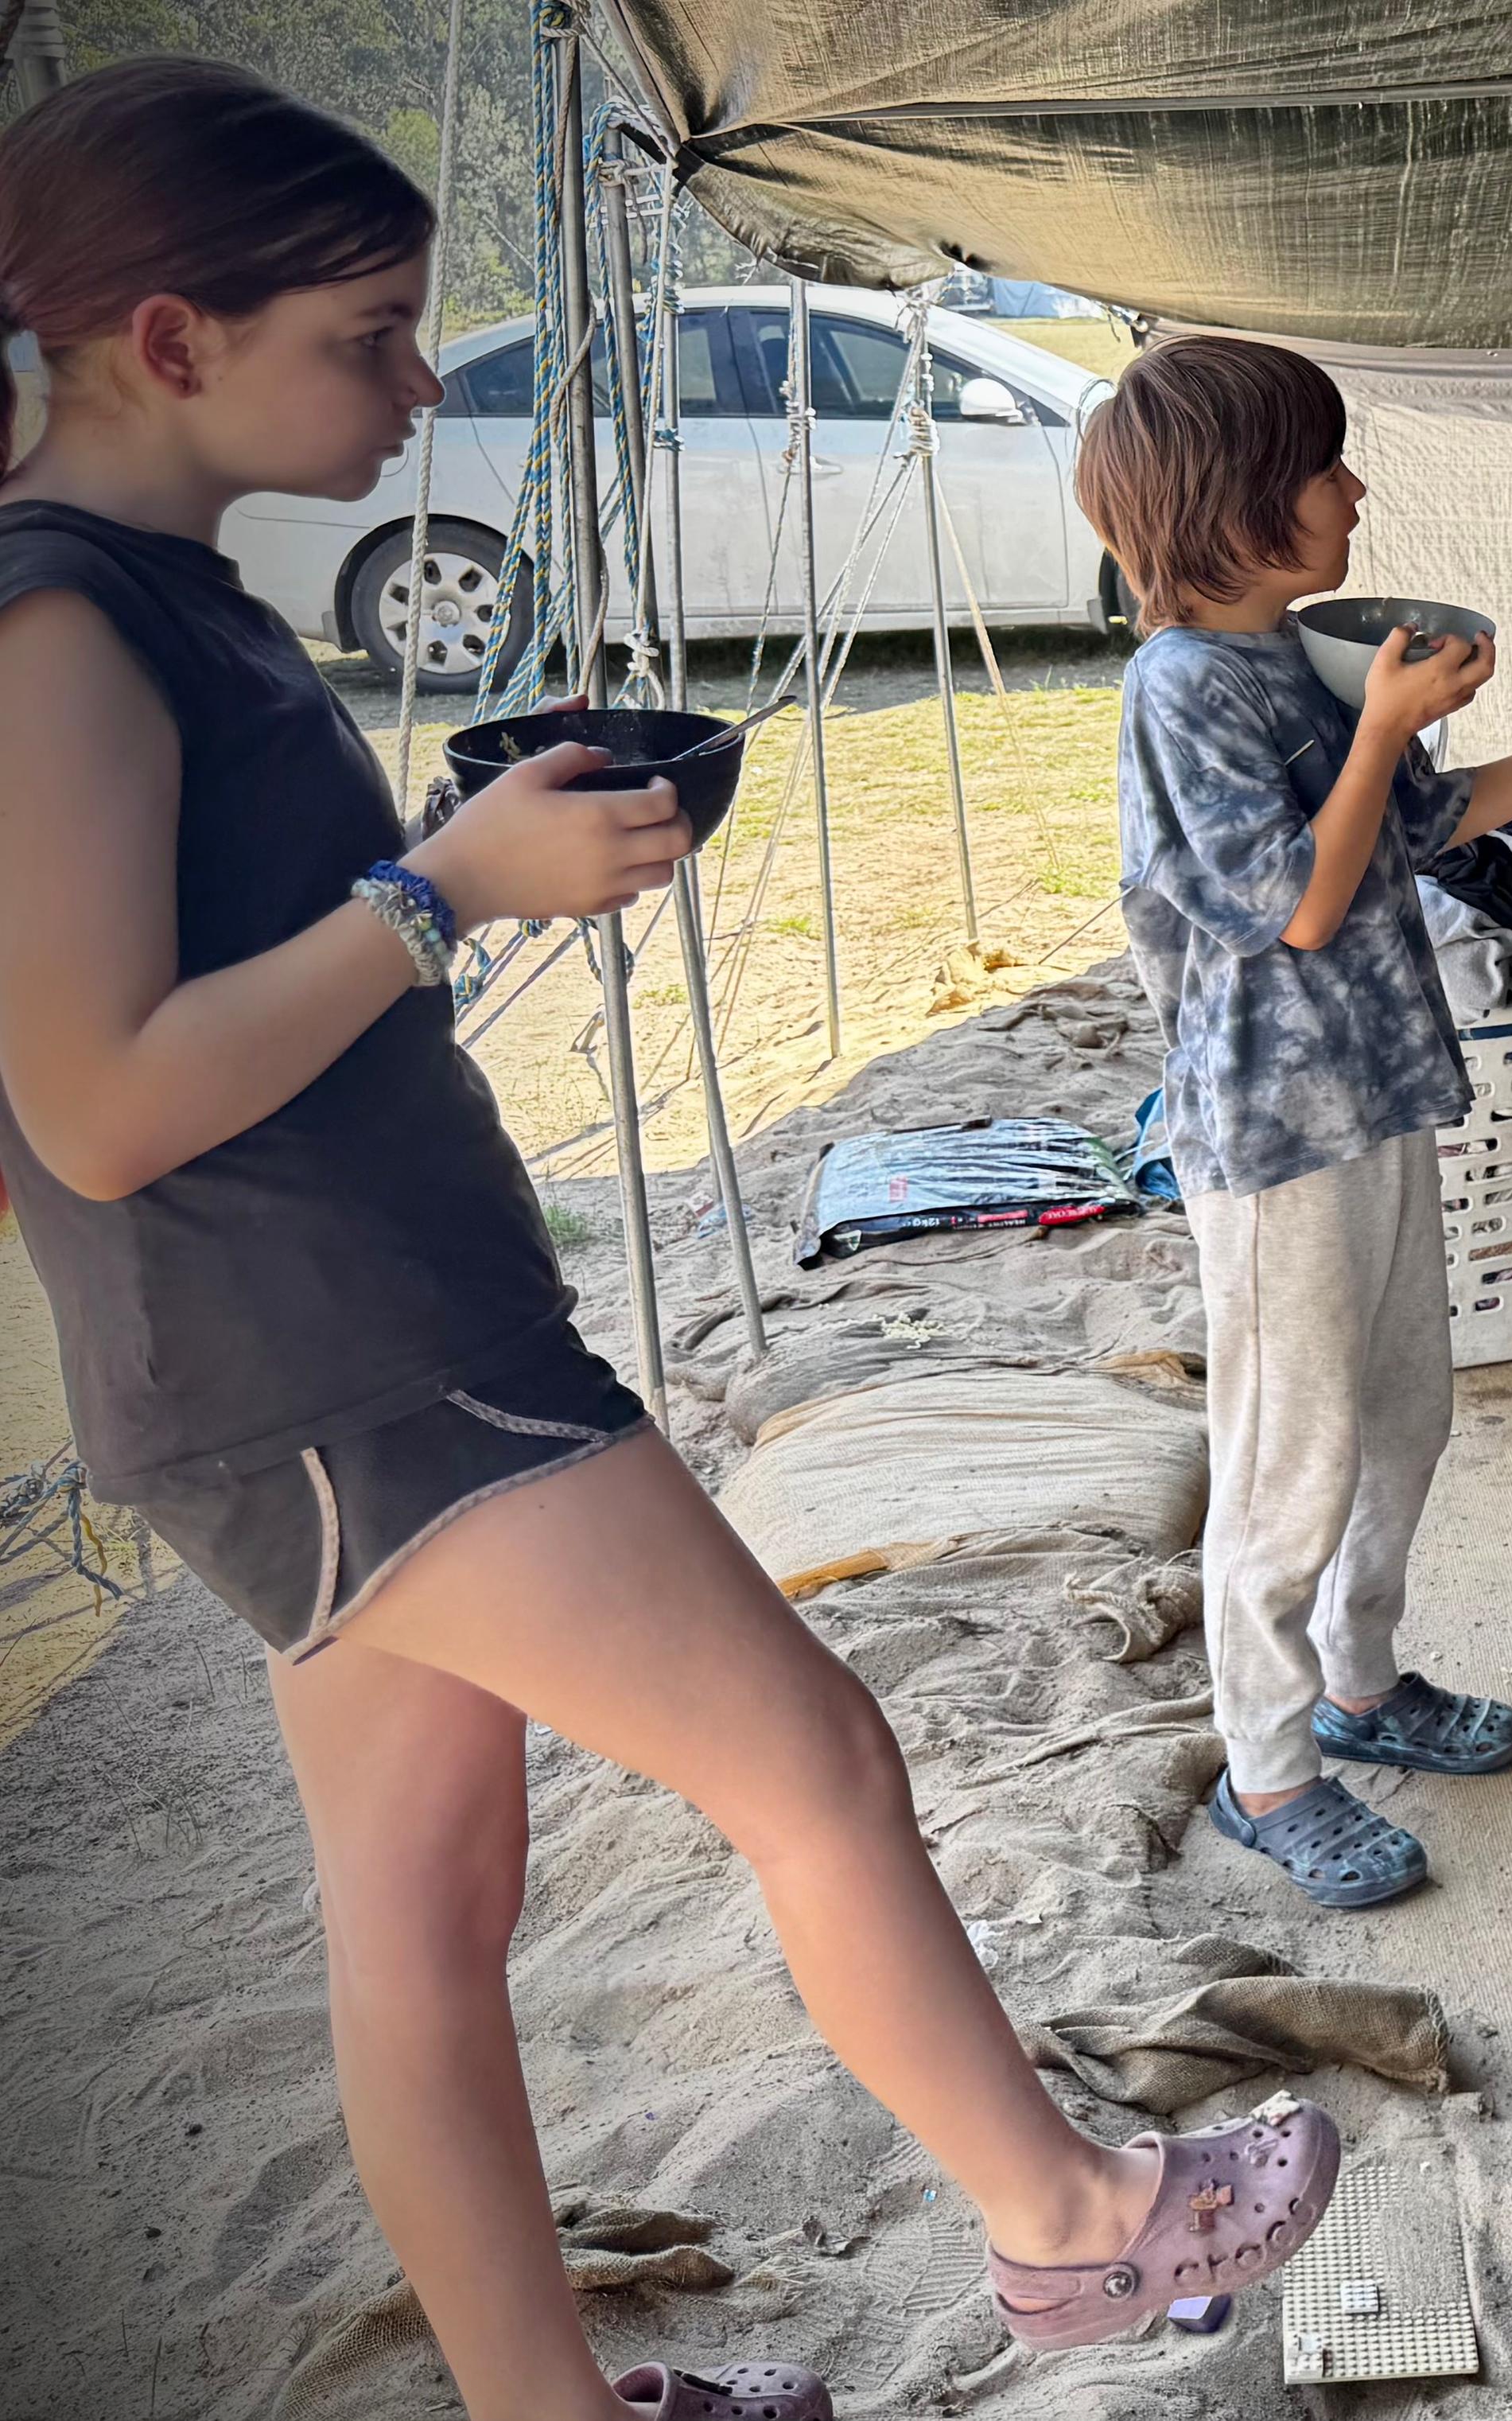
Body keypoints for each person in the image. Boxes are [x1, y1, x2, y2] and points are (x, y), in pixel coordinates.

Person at [0, 63, 1335, 2416]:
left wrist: (444, 858)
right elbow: (94, 1105)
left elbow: (203, 972)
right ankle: (1084, 2231)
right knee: (812, 1758)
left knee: (429, 1921)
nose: (424, 383)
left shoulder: (143, 598)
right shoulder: (54, 631)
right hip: (346, 1365)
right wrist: (440, 892)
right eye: (374, 333)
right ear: (171, 336)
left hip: (318, 1358)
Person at [1080, 336, 1512, 1909]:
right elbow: (1290, 901)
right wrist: (1376, 729)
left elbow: (1418, 827)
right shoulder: (1178, 688)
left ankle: (1362, 1683)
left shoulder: (1295, 649)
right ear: (1233, 505)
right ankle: (1271, 1767)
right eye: (1324, 467)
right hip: (1275, 1140)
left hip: (1375, 1097)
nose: (1353, 489)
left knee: (1401, 1416)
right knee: (1288, 1462)